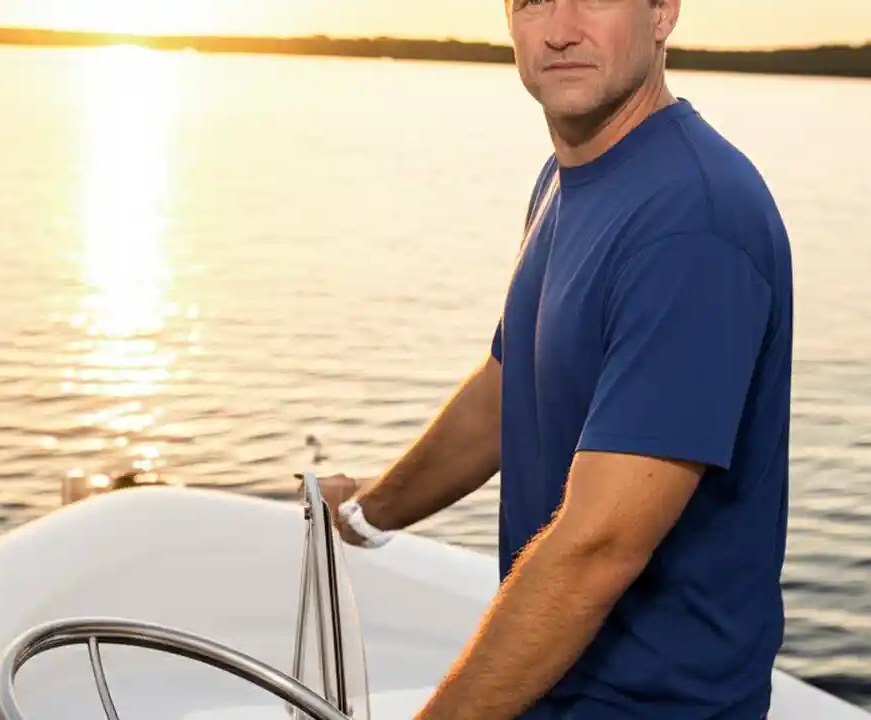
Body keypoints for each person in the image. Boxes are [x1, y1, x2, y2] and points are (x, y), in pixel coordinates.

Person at [318, 0, 794, 718]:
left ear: (663, 12)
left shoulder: (694, 223)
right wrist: (366, 513)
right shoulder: (568, 178)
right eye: (534, 0)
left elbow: (597, 548)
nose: (561, 29)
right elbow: (508, 388)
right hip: (551, 691)